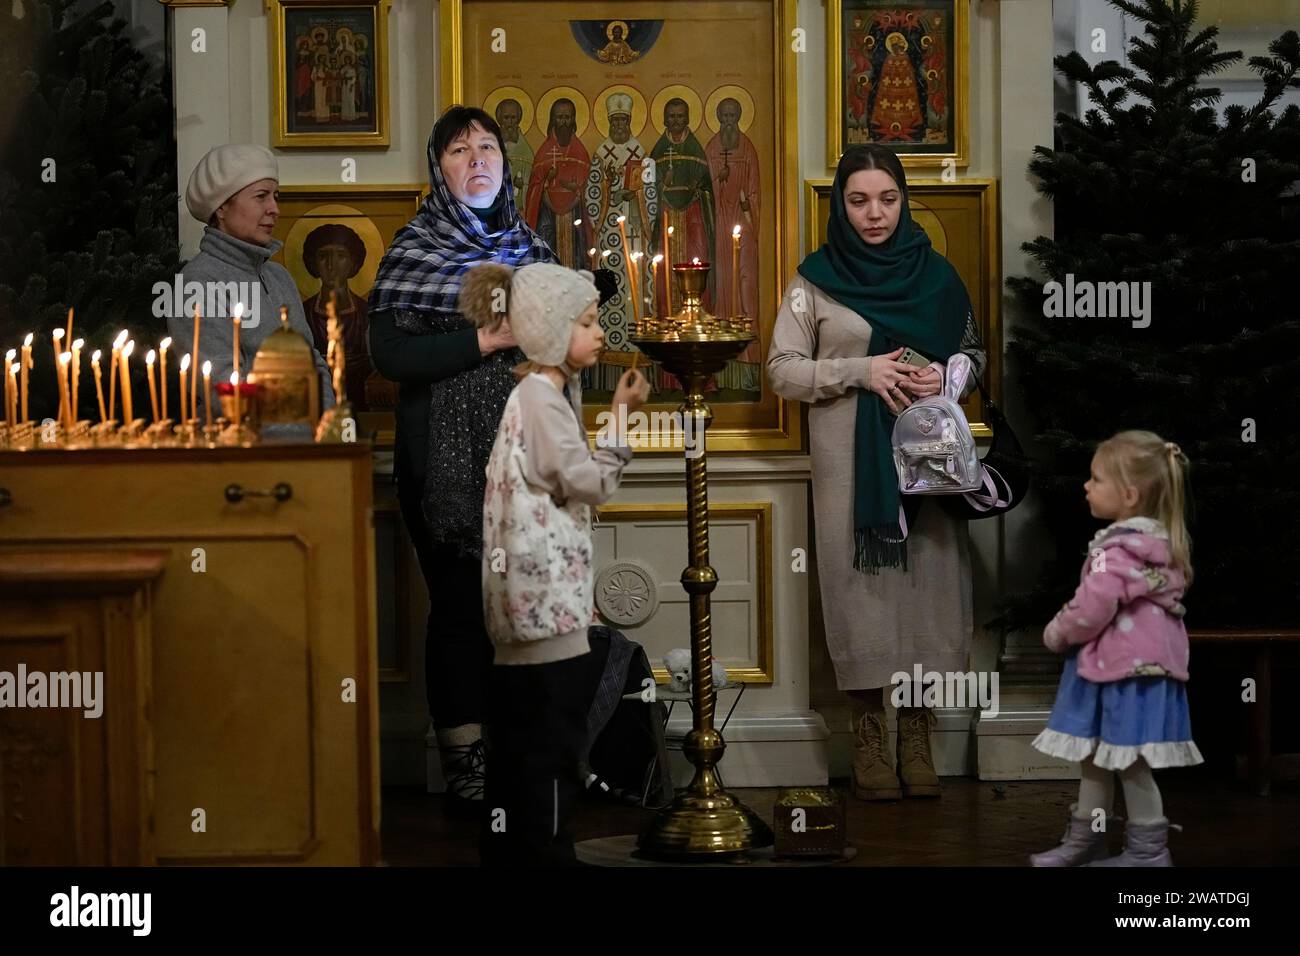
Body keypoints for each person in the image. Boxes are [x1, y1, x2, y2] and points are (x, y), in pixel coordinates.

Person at [767, 143, 986, 801]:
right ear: (841, 203)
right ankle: (868, 735)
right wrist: (860, 371)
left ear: (904, 200)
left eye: (887, 199)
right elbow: (781, 369)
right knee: (860, 596)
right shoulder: (813, 283)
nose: (874, 213)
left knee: (928, 589)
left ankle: (917, 735)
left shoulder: (939, 276)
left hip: (930, 464)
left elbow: (973, 355)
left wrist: (942, 376)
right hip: (849, 471)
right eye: (859, 200)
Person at [367, 105, 555, 809]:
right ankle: (464, 759)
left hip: (525, 456)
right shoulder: (414, 248)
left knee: (519, 603)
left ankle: (520, 749)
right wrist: (488, 341)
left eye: (487, 147)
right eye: (458, 150)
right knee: (457, 606)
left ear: (506, 164)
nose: (476, 159)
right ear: (438, 169)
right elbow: (389, 354)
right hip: (438, 459)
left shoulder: (532, 249)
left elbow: (570, 349)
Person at [459, 260, 649, 865]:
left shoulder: (533, 396)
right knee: (550, 758)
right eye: (587, 322)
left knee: (523, 759)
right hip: (543, 622)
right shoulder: (540, 401)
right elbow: (589, 482)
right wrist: (622, 419)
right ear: (550, 331)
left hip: (523, 614)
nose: (599, 333)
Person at [1030, 430, 1202, 867]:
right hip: (1120, 669)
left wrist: (1056, 633)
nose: (1086, 486)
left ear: (1128, 495)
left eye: (1096, 479)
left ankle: (1147, 853)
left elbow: (1091, 609)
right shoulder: (1156, 548)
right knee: (1096, 756)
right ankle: (1089, 837)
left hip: (1122, 670)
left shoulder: (1118, 552)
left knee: (1127, 760)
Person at [174, 144, 334, 415]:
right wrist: (297, 421)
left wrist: (327, 422)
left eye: (276, 196)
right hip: (241, 451)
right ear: (222, 207)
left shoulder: (278, 276)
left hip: (305, 444)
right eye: (261, 196)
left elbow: (312, 362)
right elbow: (220, 383)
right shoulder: (196, 282)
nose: (274, 209)